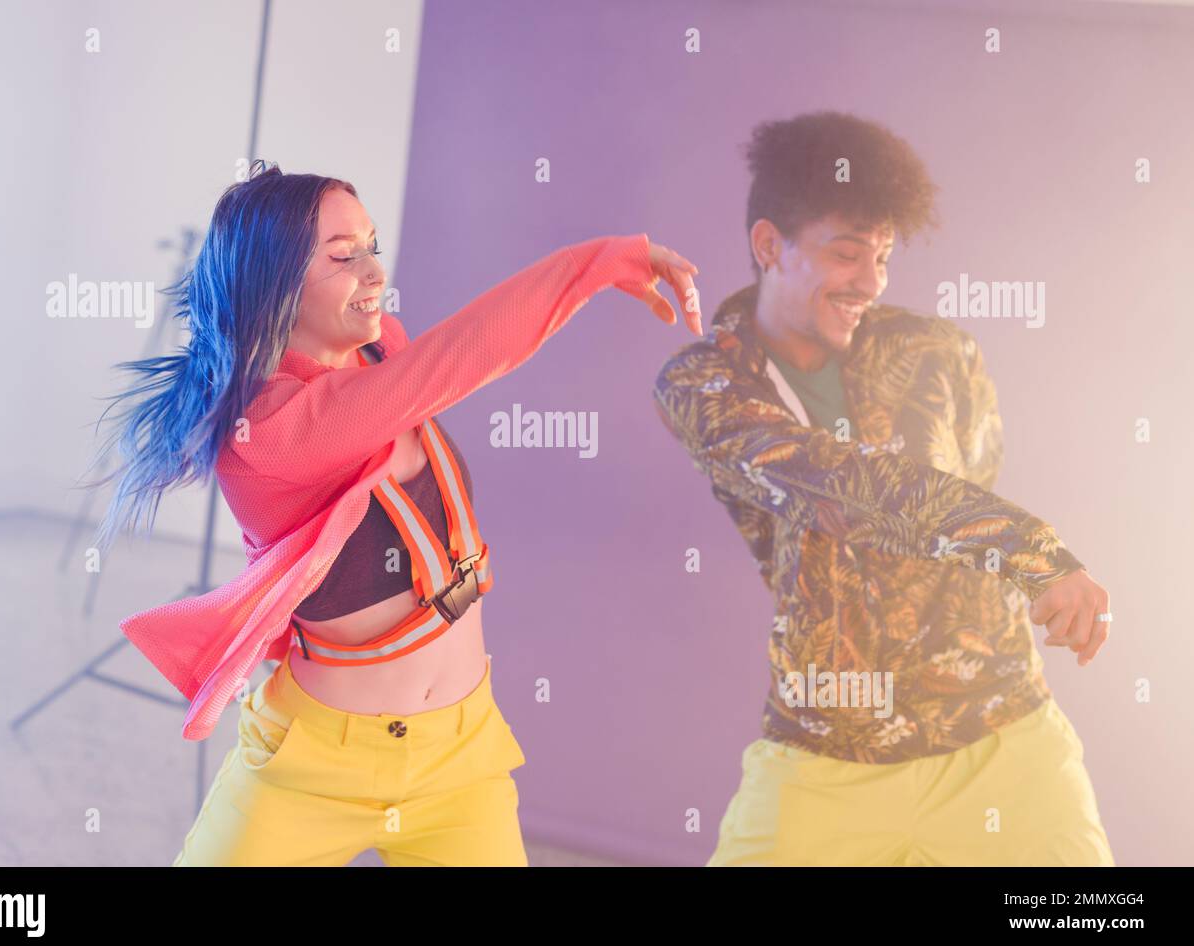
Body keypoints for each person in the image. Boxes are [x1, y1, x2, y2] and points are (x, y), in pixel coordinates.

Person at [82, 161, 701, 866]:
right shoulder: (269, 431)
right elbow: (463, 355)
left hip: (459, 758)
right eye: (344, 256)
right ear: (272, 281)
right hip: (314, 766)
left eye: (372, 246)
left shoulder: (378, 350)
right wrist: (597, 262)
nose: (375, 271)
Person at [652, 112, 1115, 866]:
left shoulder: (939, 352)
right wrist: (1035, 552)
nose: (870, 280)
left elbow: (971, 481)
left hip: (1000, 740)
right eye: (846, 253)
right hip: (824, 756)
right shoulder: (702, 385)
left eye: (884, 255)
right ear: (769, 245)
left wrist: (1007, 563)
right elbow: (855, 489)